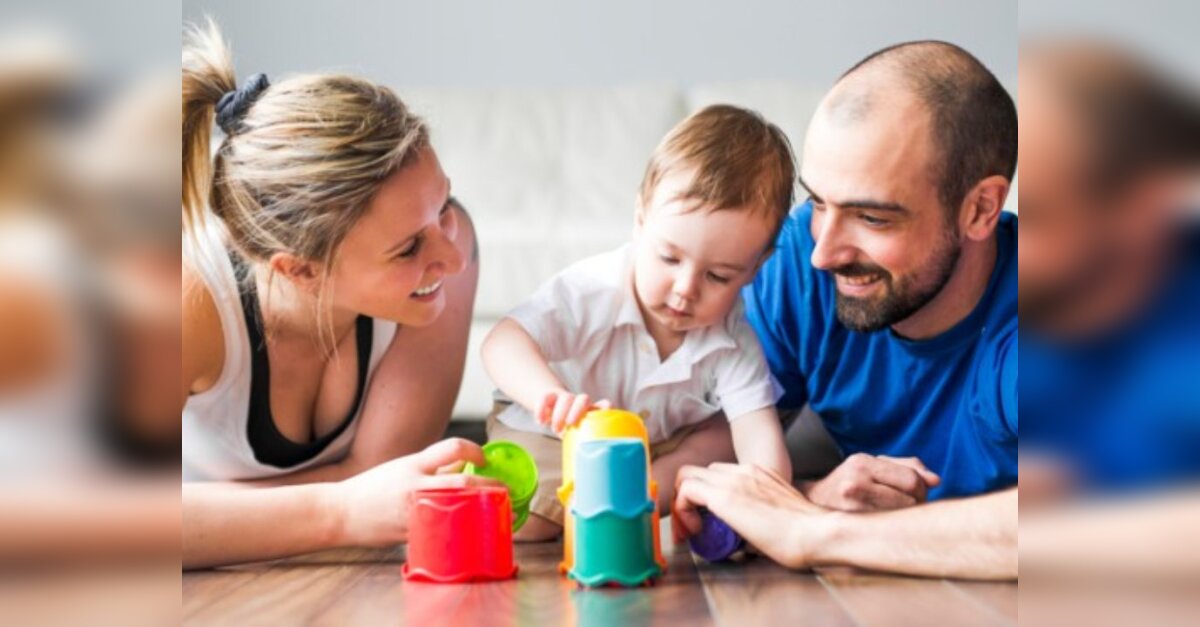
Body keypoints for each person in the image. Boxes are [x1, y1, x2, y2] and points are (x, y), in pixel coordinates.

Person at [674, 41, 1019, 580]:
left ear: (979, 209)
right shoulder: (797, 263)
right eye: (817, 202)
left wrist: (814, 532)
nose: (823, 252)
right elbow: (699, 464)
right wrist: (809, 499)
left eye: (872, 218)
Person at [181, 20, 494, 569]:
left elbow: (381, 478)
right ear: (300, 271)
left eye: (442, 205)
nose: (454, 257)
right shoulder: (185, 300)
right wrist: (340, 509)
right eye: (406, 249)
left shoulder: (450, 246)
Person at [482, 105, 795, 541]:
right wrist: (549, 397)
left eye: (719, 276)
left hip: (652, 445)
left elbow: (758, 434)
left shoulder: (731, 340)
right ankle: (616, 498)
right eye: (669, 258)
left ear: (755, 268)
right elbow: (502, 341)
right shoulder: (594, 290)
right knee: (527, 522)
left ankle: (640, 492)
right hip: (557, 436)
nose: (685, 289)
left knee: (723, 437)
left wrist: (771, 505)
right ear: (640, 220)